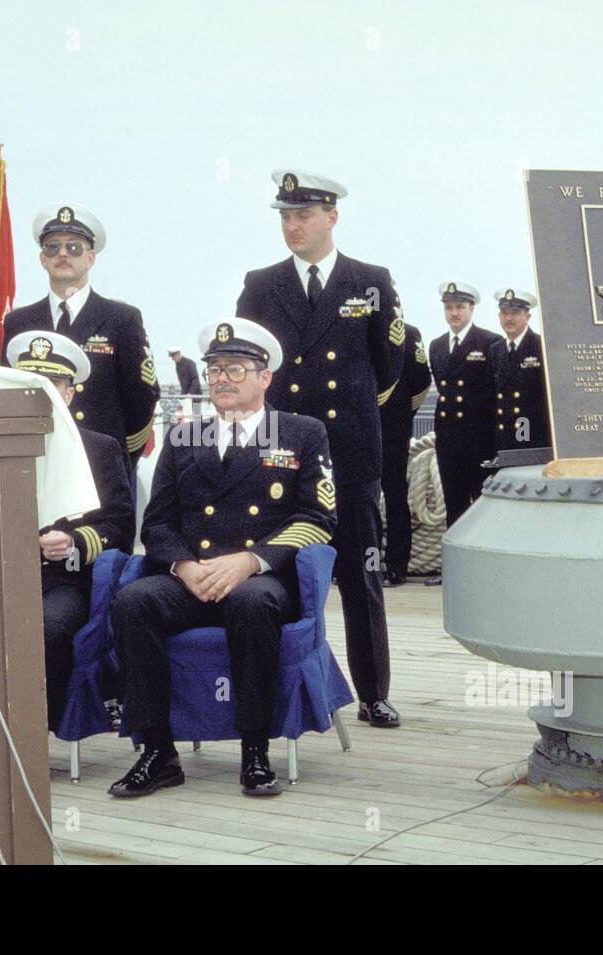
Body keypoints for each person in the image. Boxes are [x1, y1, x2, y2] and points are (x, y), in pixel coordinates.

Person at [109, 319, 336, 797]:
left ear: (264, 377)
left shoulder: (302, 433)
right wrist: (184, 567)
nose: (222, 380)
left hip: (261, 578)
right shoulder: (183, 437)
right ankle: (158, 752)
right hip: (194, 576)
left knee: (252, 605)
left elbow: (318, 518)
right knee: (133, 601)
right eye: (214, 370)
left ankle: (255, 750)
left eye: (235, 369)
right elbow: (157, 524)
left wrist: (250, 562)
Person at [235, 168, 405, 728]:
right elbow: (250, 364)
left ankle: (373, 692)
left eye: (303, 215)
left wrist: (345, 418)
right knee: (275, 572)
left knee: (362, 577)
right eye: (285, 216)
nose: (292, 226)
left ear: (331, 216)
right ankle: (278, 691)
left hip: (351, 454)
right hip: (282, 453)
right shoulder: (260, 284)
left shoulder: (370, 281)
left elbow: (388, 369)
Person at [4, 331, 133, 729]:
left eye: (53, 384)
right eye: (31, 382)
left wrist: (75, 541)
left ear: (70, 393)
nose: (42, 393)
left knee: (46, 628)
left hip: (66, 580)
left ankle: (34, 732)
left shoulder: (99, 448)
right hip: (0, 573)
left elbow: (120, 524)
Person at [0, 203, 159, 477]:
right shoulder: (19, 322)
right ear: (42, 259)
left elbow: (142, 398)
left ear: (90, 258)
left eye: (74, 247)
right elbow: (8, 396)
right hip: (36, 462)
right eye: (53, 247)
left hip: (100, 468)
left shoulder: (122, 319)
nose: (62, 254)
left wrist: (117, 456)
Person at [424, 281, 501, 586]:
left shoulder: (490, 342)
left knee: (481, 504)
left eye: (459, 307)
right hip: (449, 439)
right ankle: (454, 569)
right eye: (449, 307)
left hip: (479, 438)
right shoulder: (437, 346)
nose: (454, 313)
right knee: (454, 504)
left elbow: (496, 393)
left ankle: (484, 567)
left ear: (472, 309)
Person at [379, 321, 431, 587]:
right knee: (359, 500)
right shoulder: (352, 326)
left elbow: (422, 380)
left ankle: (396, 567)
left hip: (393, 430)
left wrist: (402, 414)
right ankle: (367, 564)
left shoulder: (408, 333)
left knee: (395, 496)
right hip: (358, 430)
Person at [488, 287, 550, 451]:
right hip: (502, 434)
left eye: (515, 313)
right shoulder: (495, 350)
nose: (509, 318)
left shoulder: (542, 346)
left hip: (532, 434)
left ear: (527, 316)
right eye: (504, 313)